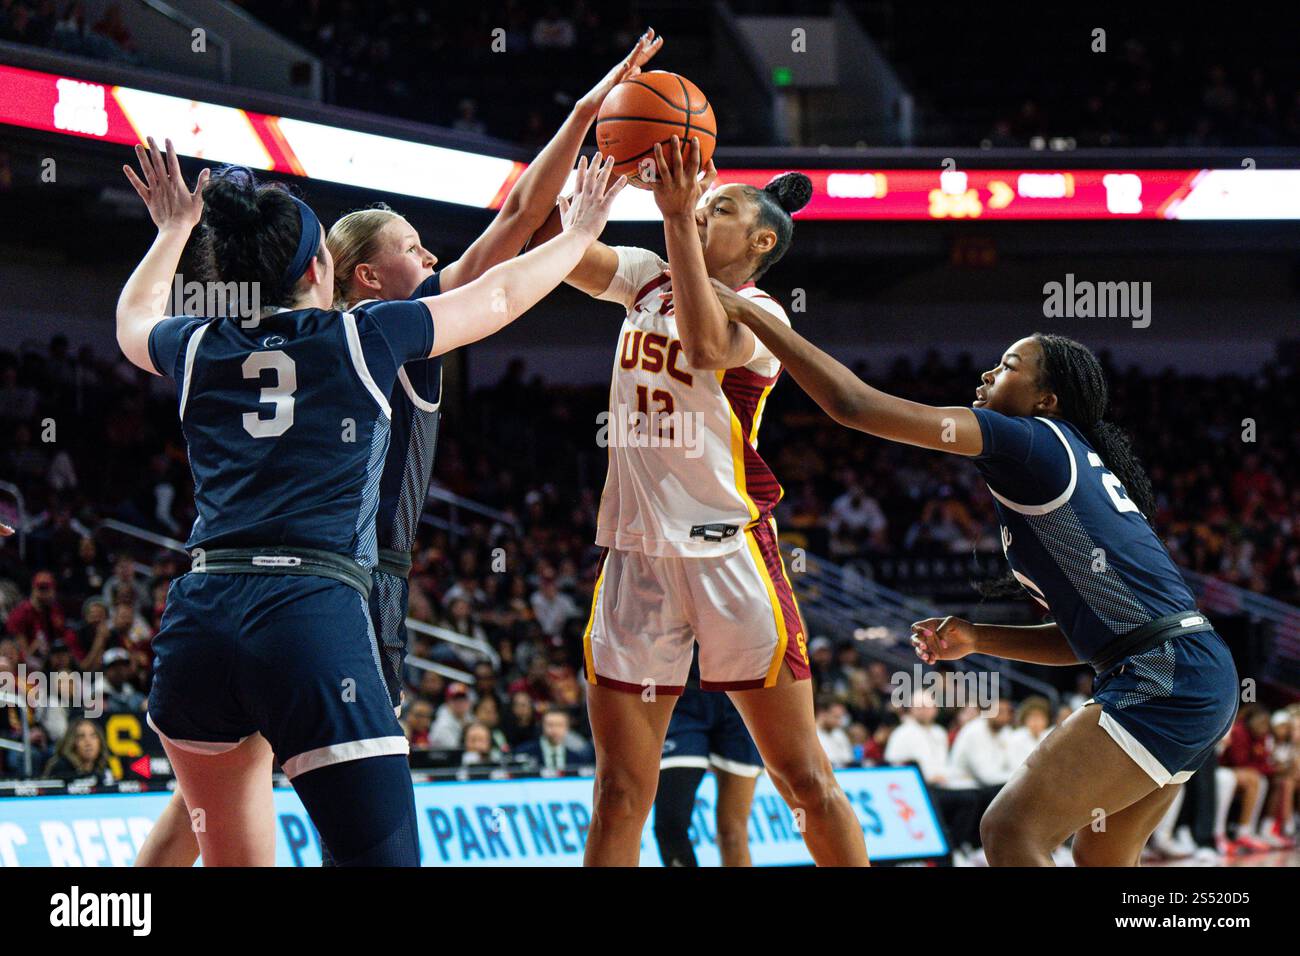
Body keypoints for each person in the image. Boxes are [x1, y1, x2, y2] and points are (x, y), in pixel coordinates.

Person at [132, 34, 654, 867]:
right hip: (341, 585)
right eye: (414, 248)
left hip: (231, 591)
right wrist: (585, 123)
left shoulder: (223, 338)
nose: (435, 257)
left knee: (218, 791)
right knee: (337, 815)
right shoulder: (389, 332)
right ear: (360, 277)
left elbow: (140, 324)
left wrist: (590, 114)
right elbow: (520, 228)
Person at [701, 304, 1241, 867]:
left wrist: (758, 318)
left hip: (1166, 672)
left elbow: (854, 404)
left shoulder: (1029, 441)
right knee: (1103, 859)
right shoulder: (1057, 465)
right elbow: (1086, 641)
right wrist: (979, 637)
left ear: (1045, 400)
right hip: (1191, 668)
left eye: (1008, 365)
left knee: (1010, 831)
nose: (987, 375)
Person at [533, 137, 868, 866]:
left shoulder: (761, 311)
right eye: (701, 205)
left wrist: (678, 216)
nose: (697, 209)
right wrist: (596, 189)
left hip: (729, 554)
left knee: (803, 779)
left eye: (718, 208)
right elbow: (561, 251)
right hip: (636, 560)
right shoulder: (648, 276)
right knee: (620, 793)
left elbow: (709, 346)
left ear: (761, 239)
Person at [654, 653, 764, 867]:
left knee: (732, 833)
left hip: (741, 695)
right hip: (684, 695)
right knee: (670, 826)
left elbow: (798, 633)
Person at [42, 718, 114, 785]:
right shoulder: (61, 767)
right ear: (72, 742)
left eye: (93, 736)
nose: (88, 743)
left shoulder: (104, 766)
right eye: (81, 737)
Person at [514, 708, 590, 770]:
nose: (554, 730)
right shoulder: (525, 752)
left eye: (559, 725)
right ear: (542, 726)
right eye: (550, 725)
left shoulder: (576, 758)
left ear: (567, 728)